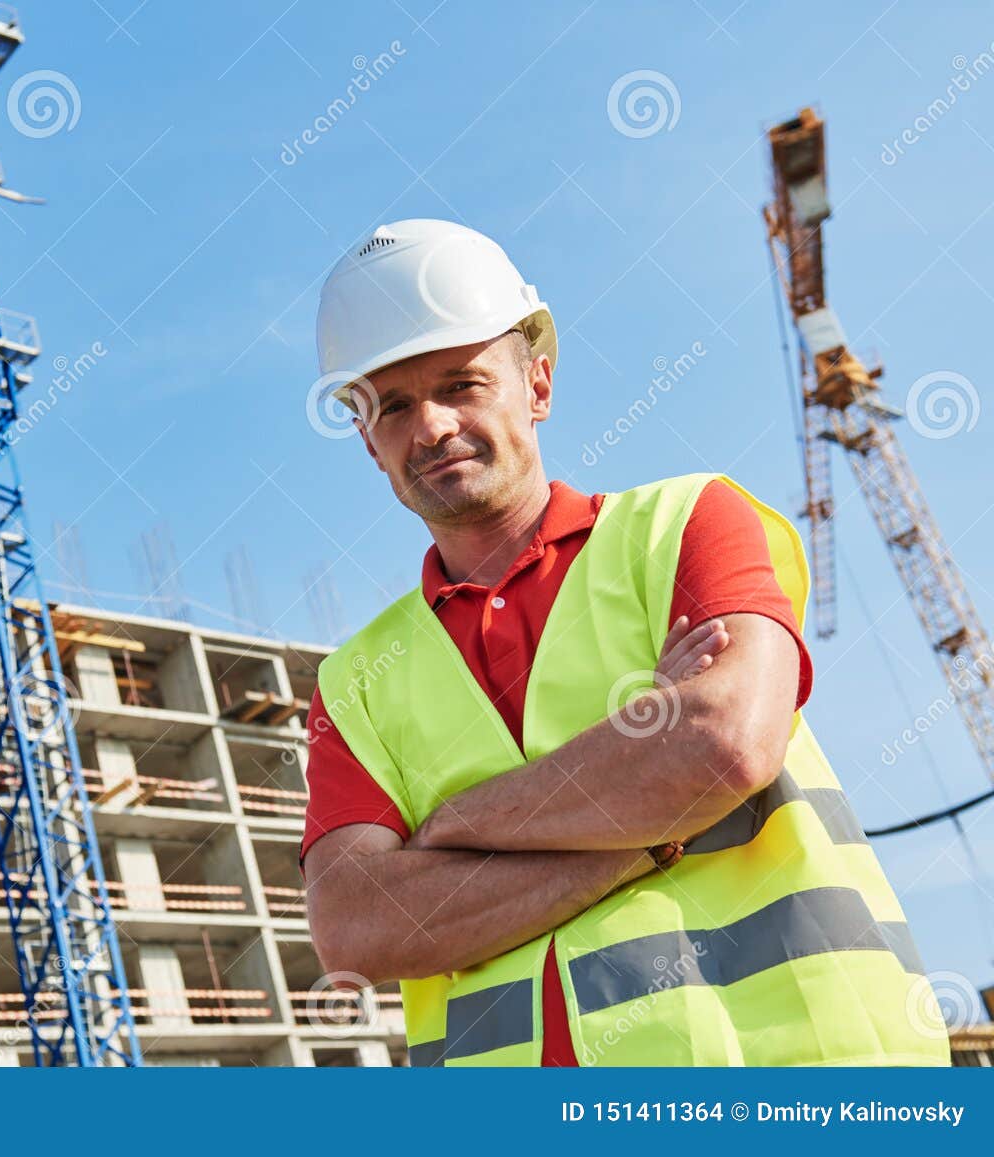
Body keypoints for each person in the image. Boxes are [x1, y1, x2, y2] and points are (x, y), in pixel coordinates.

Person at [299, 218, 949, 1067]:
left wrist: (452, 829)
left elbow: (723, 743)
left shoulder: (687, 523)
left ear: (536, 386)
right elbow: (356, 928)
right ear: (369, 441)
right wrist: (650, 818)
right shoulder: (356, 679)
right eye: (393, 405)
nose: (431, 426)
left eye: (462, 384)